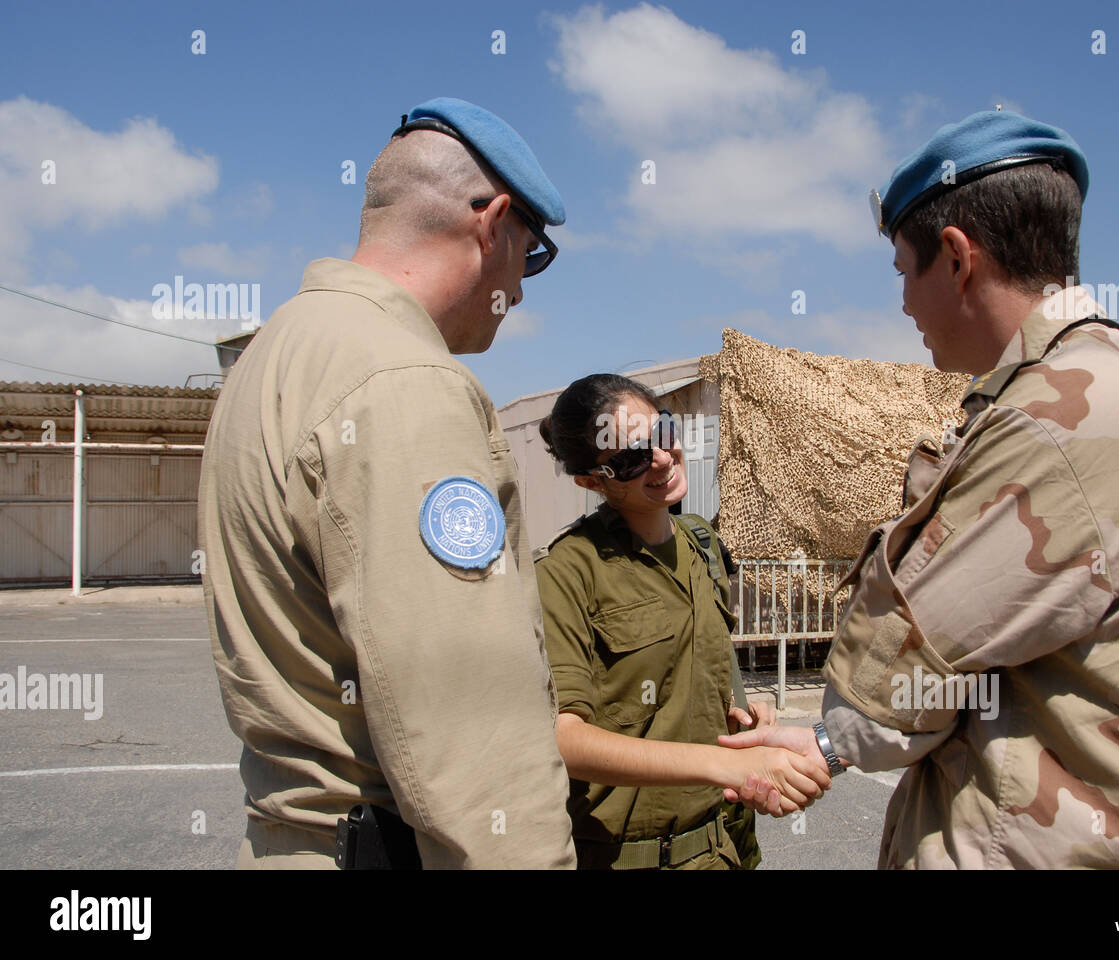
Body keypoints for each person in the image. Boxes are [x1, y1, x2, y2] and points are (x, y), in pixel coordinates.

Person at [721, 110, 1119, 868]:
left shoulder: (1052, 416)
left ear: (956, 259)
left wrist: (824, 739)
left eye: (903, 273)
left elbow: (887, 680)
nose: (903, 306)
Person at [198, 97, 576, 869]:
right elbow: (470, 729)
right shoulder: (404, 381)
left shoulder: (277, 352)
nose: (524, 290)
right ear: (493, 222)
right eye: (530, 255)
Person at [532, 374, 831, 869]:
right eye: (630, 458)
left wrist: (747, 716)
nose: (661, 459)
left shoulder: (703, 547)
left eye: (663, 433)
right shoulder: (567, 572)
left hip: (720, 849)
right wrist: (731, 765)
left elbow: (700, 674)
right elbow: (565, 738)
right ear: (591, 481)